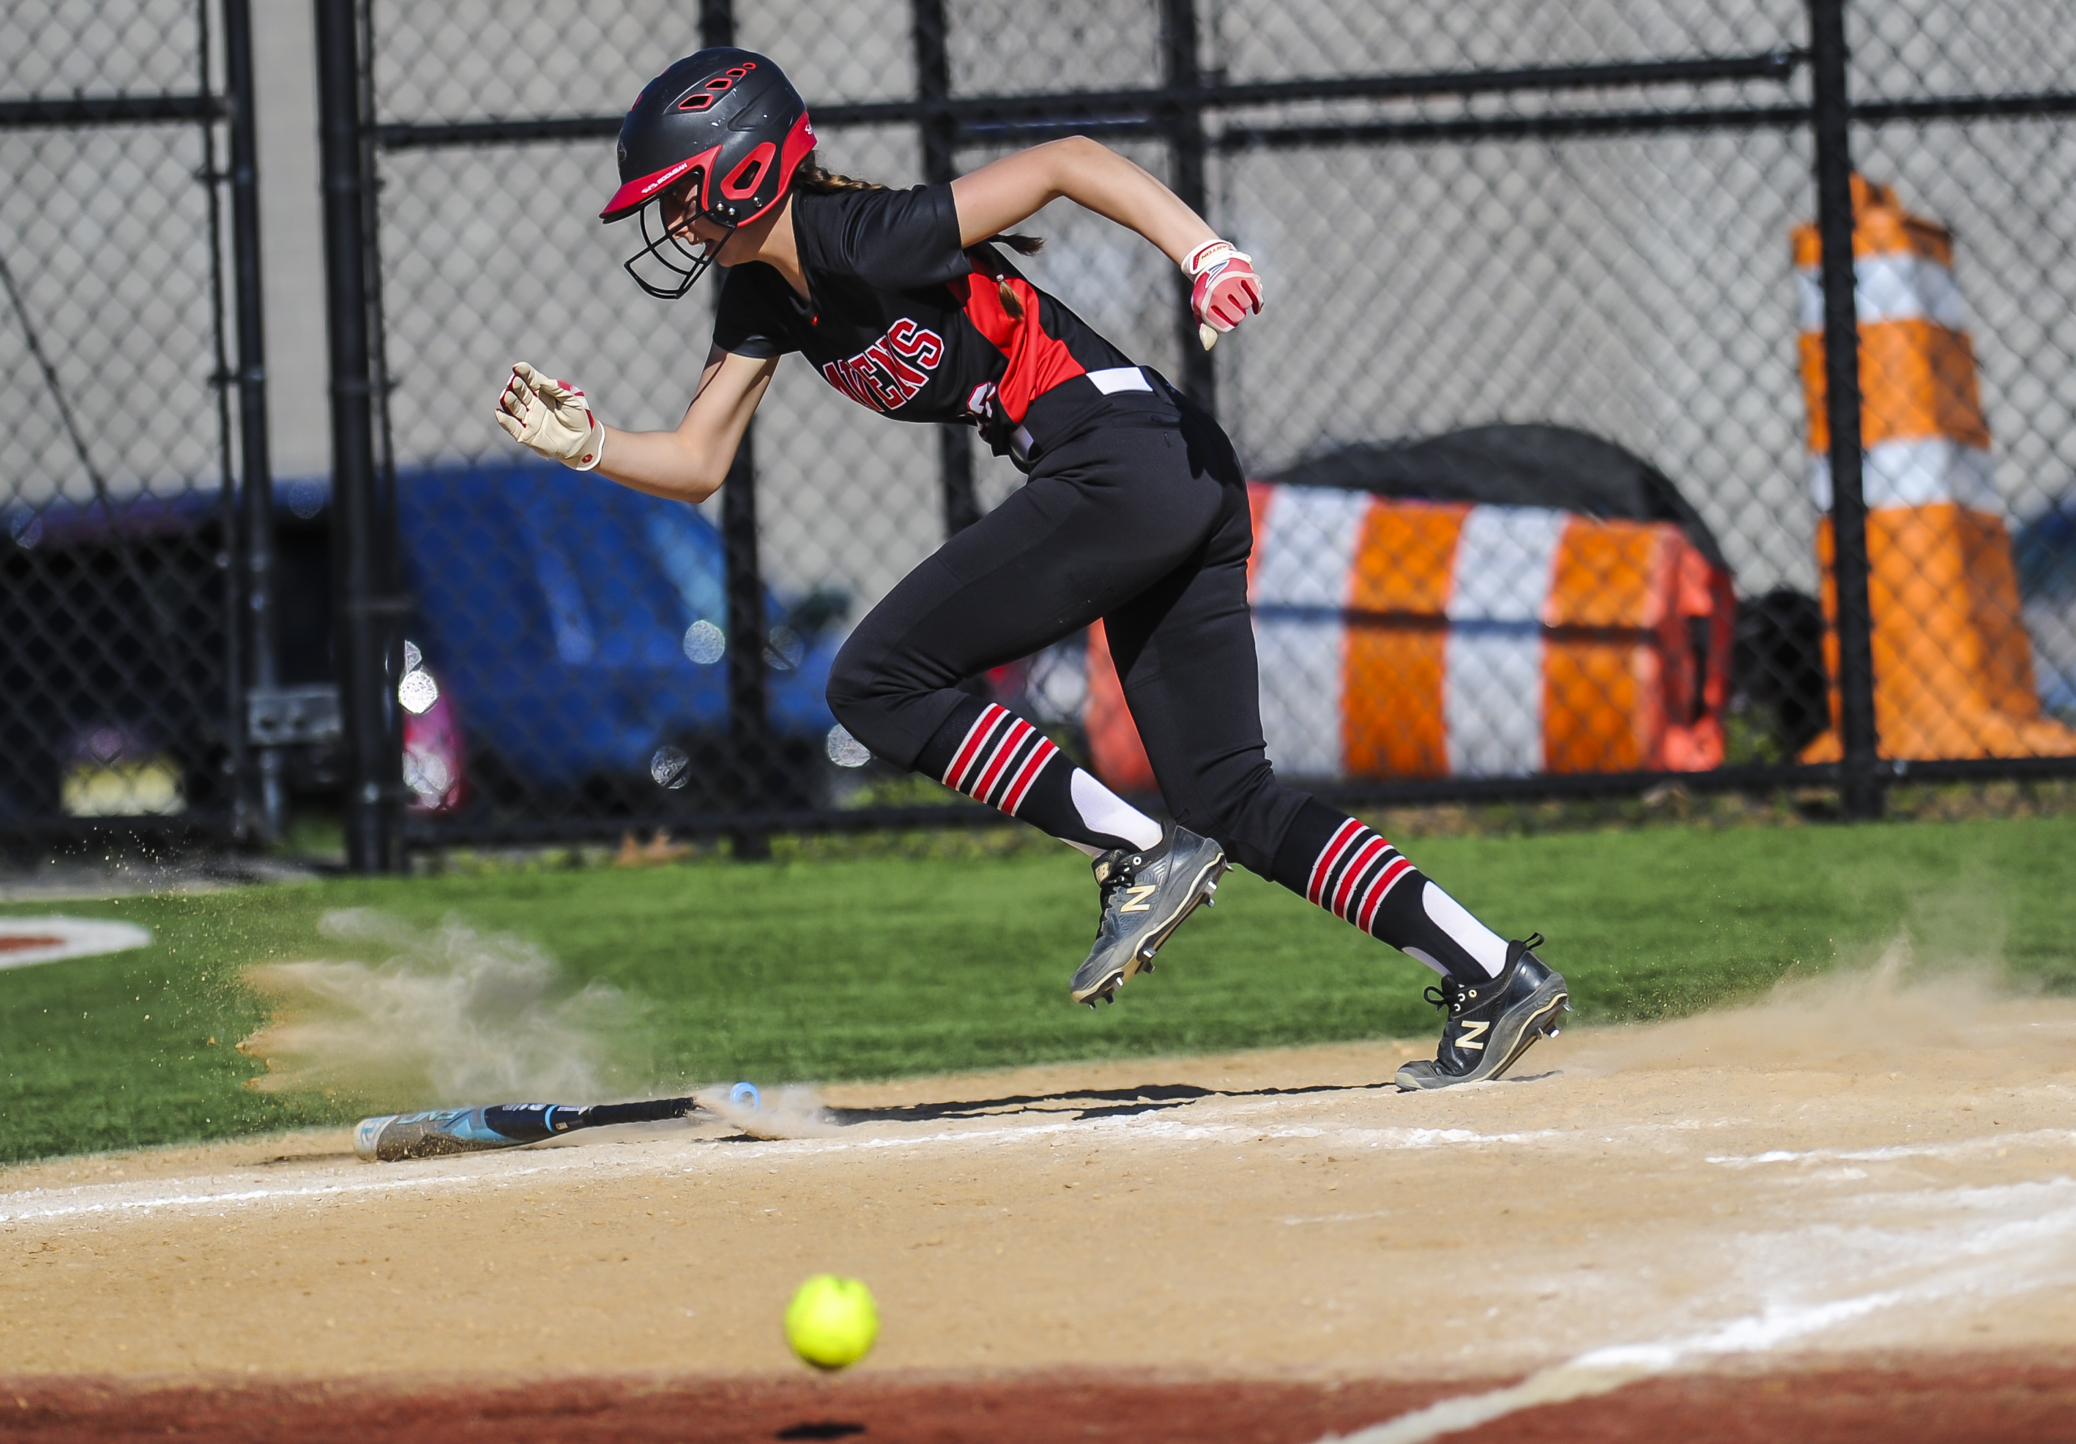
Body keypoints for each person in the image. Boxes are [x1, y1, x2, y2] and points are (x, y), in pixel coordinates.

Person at [493, 48, 1569, 1089]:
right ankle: (1494, 974)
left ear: (745, 168)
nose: (671, 222)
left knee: (875, 680)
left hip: (1124, 461)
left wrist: (1206, 254)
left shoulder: (862, 233)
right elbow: (697, 462)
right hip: (1153, 470)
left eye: (680, 194)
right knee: (1231, 797)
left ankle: (1137, 851)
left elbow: (1065, 162)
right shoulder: (765, 298)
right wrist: (589, 445)